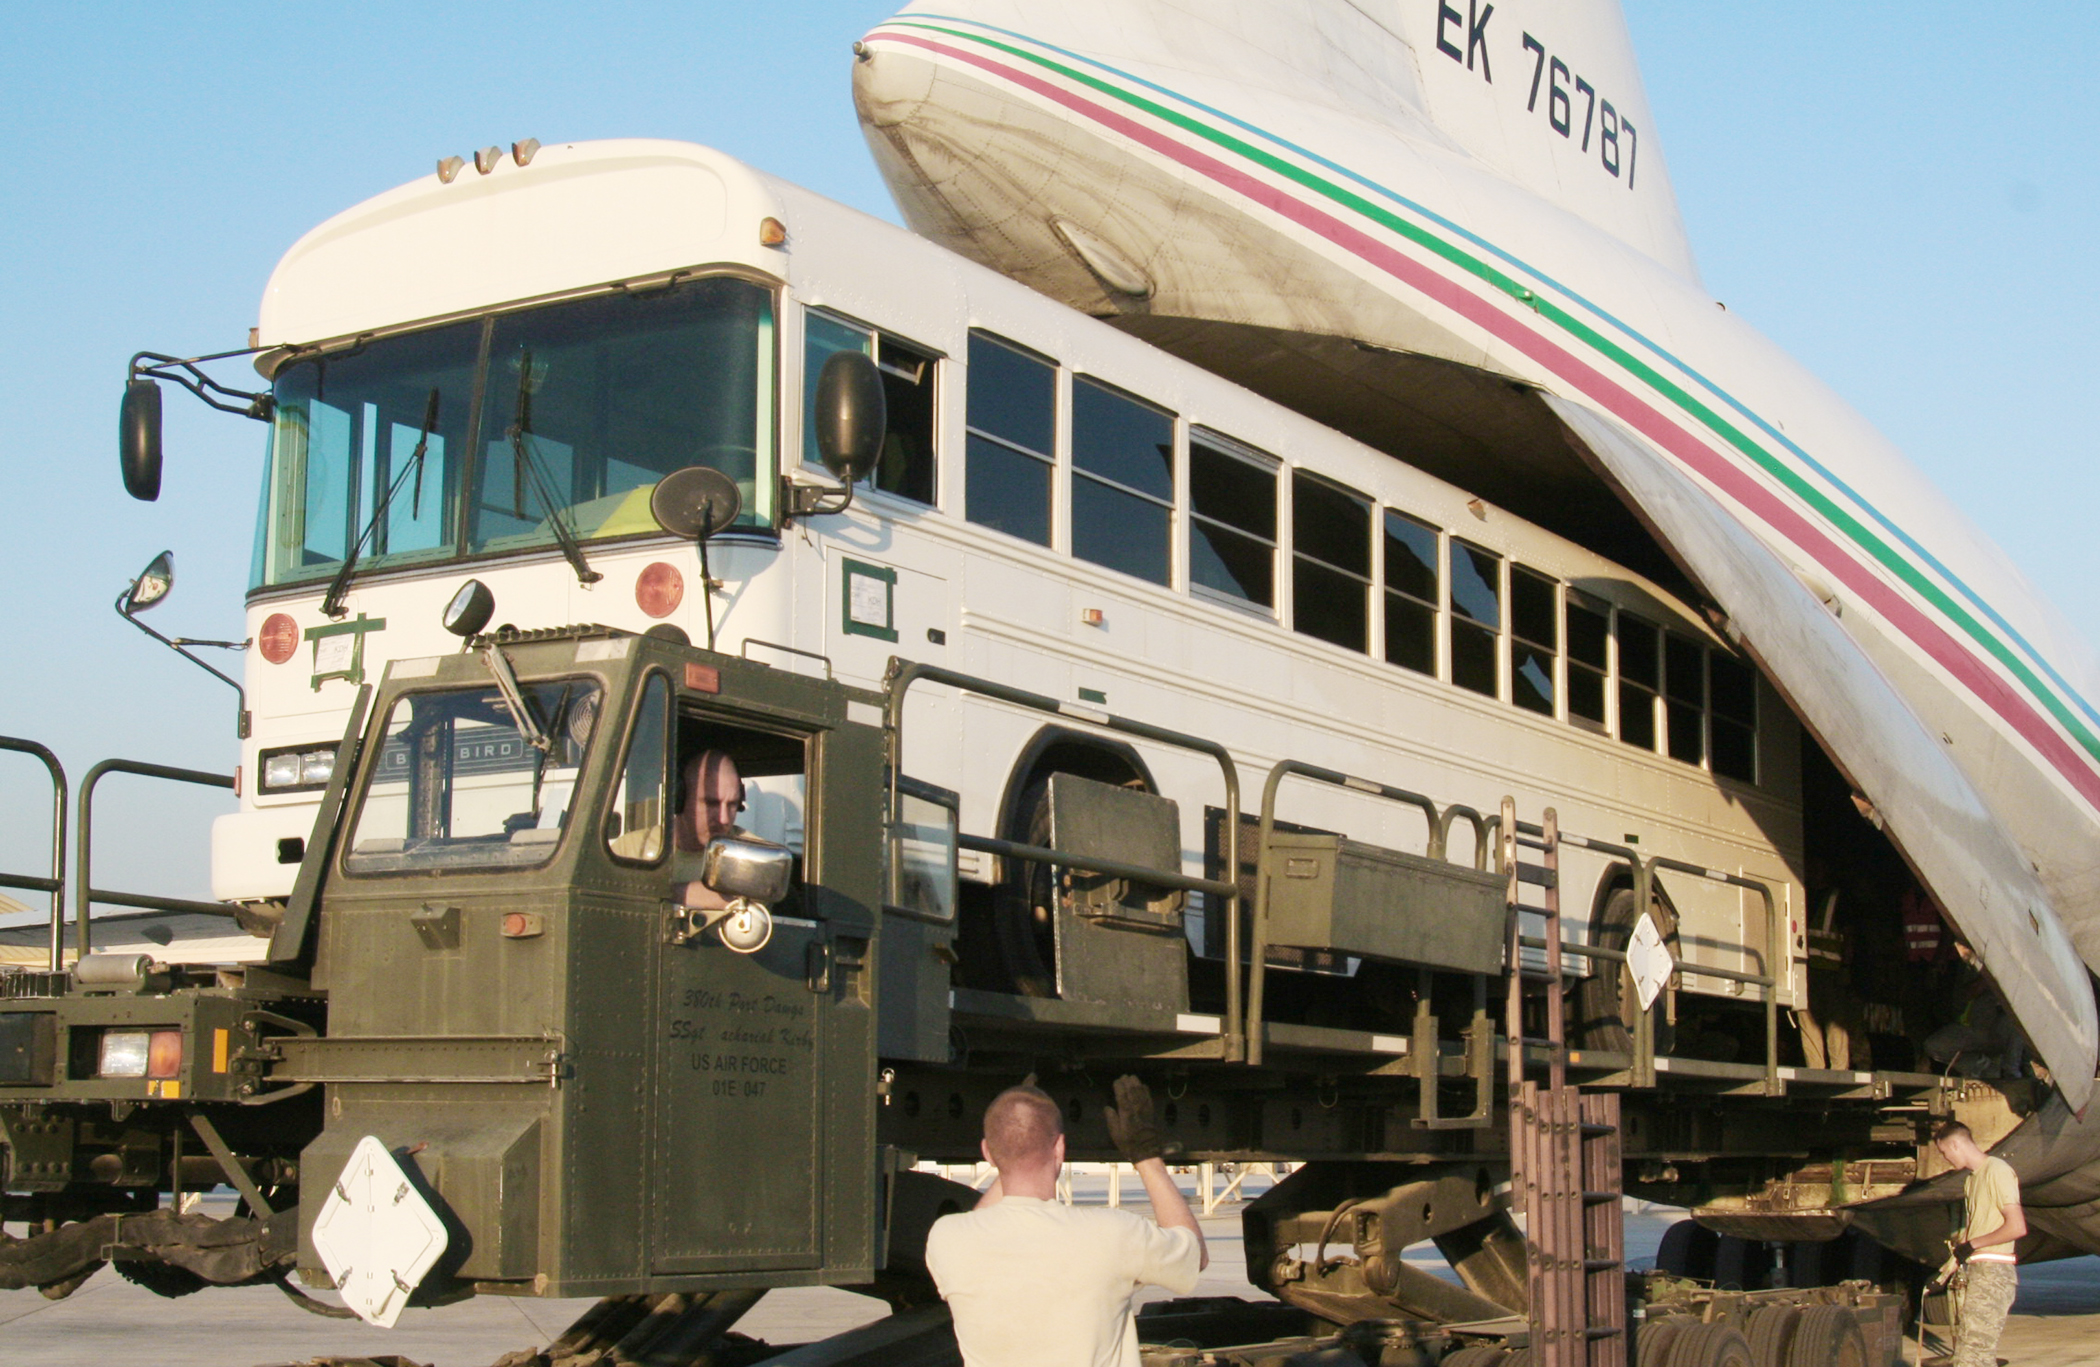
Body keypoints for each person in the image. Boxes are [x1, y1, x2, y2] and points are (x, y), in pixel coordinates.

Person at [926, 1076, 1207, 1367]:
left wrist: (1011, 1143)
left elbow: (983, 1220)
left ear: (987, 1152)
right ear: (1059, 1148)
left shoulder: (947, 1238)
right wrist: (1145, 1155)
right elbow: (1194, 1255)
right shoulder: (1112, 1233)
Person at [1931, 1119, 2024, 1367]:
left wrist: (1973, 1244)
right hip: (1978, 1271)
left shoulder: (1997, 1171)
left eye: (1944, 1152)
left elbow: (2016, 1227)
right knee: (1967, 1355)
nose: (1945, 1158)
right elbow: (1971, 1234)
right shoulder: (1971, 1180)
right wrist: (1946, 1270)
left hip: (1994, 1274)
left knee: (1975, 1357)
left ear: (1956, 1145)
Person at [670, 748, 745, 909]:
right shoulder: (633, 849)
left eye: (732, 805)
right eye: (711, 804)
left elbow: (746, 897)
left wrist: (656, 893)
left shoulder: (749, 853)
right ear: (679, 799)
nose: (724, 819)